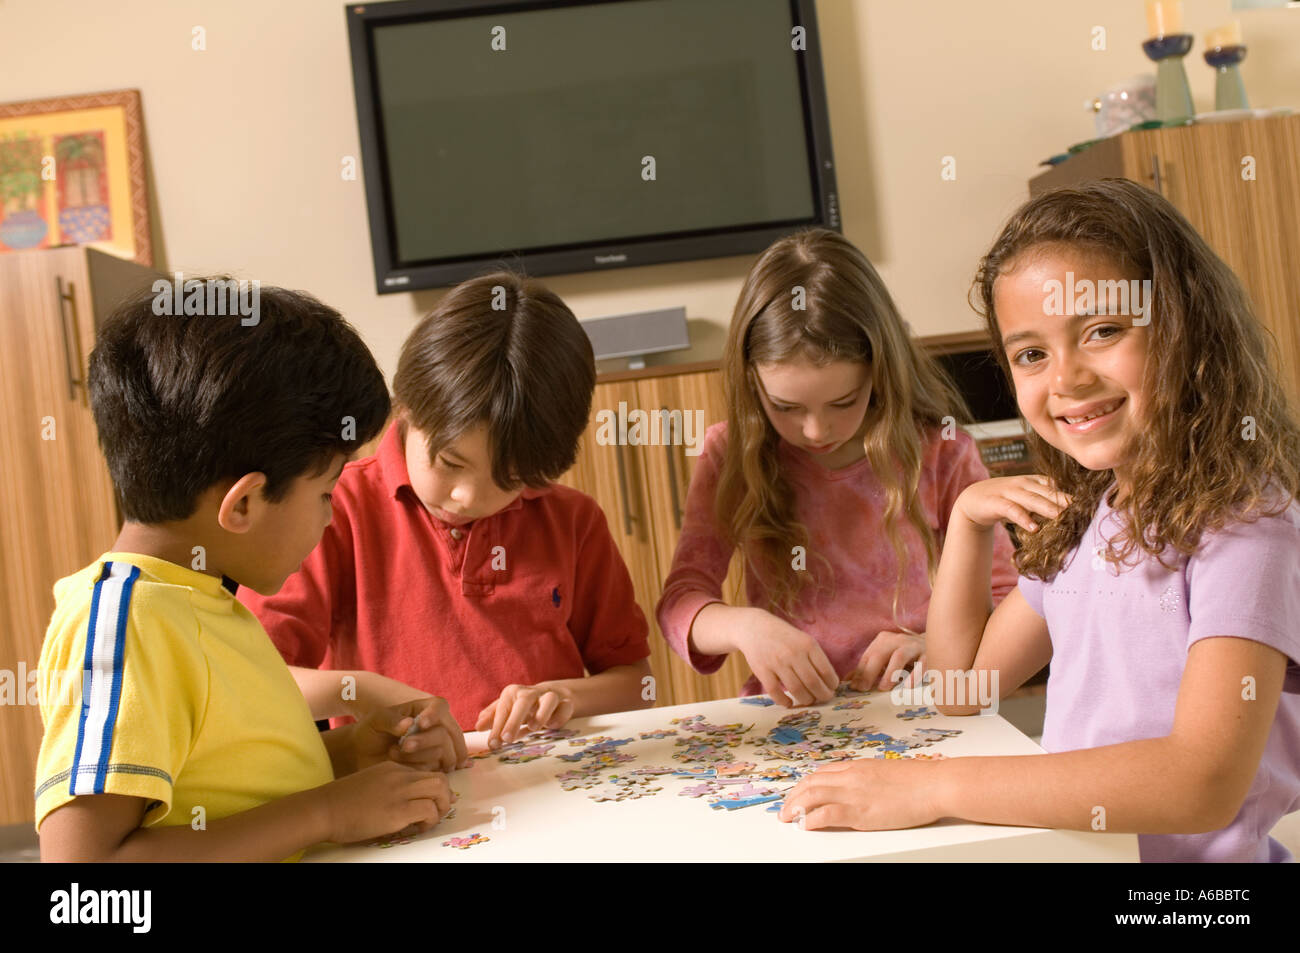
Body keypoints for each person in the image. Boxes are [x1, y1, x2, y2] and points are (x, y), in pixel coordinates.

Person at [781, 180, 1300, 862]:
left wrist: (935, 786)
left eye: (1104, 331)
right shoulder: (1091, 520)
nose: (1067, 378)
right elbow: (959, 687)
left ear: (1187, 326)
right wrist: (967, 521)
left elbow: (1201, 780)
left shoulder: (1246, 528)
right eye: (1031, 354)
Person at [36, 280, 461, 862]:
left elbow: (230, 791)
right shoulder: (123, 622)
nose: (331, 519)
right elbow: (85, 879)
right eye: (327, 493)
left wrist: (352, 758)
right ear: (243, 505)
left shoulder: (205, 600)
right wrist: (327, 812)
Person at [241, 272, 653, 748]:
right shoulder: (333, 508)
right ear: (408, 410)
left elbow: (638, 685)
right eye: (450, 463)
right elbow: (253, 679)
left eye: (510, 480)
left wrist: (566, 695)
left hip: (553, 784)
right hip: (398, 789)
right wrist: (360, 693)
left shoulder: (574, 521)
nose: (468, 497)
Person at [656, 228, 1017, 707]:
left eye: (843, 402)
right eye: (785, 407)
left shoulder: (942, 452)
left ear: (878, 370)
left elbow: (1007, 598)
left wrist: (934, 647)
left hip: (920, 704)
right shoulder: (731, 453)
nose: (814, 430)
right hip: (795, 719)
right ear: (751, 379)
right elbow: (681, 602)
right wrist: (745, 627)